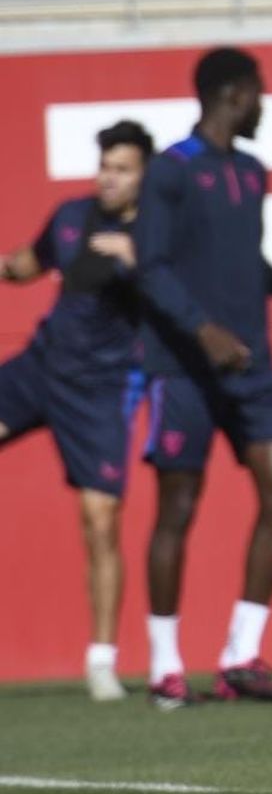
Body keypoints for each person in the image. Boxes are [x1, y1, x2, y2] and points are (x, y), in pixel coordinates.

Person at [134, 48, 272, 709]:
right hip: (184, 367)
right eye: (260, 92)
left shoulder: (252, 171)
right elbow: (150, 267)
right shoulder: (171, 171)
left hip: (252, 365)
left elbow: (234, 257)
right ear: (235, 94)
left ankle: (241, 656)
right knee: (178, 508)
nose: (264, 104)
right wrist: (202, 330)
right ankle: (164, 665)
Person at [0, 121, 153, 701]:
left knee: (100, 522)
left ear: (145, 177)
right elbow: (26, 264)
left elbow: (183, 294)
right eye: (104, 166)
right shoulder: (69, 217)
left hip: (101, 392)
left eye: (122, 168)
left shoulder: (155, 236)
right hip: (41, 368)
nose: (108, 178)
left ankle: (101, 661)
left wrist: (138, 259)